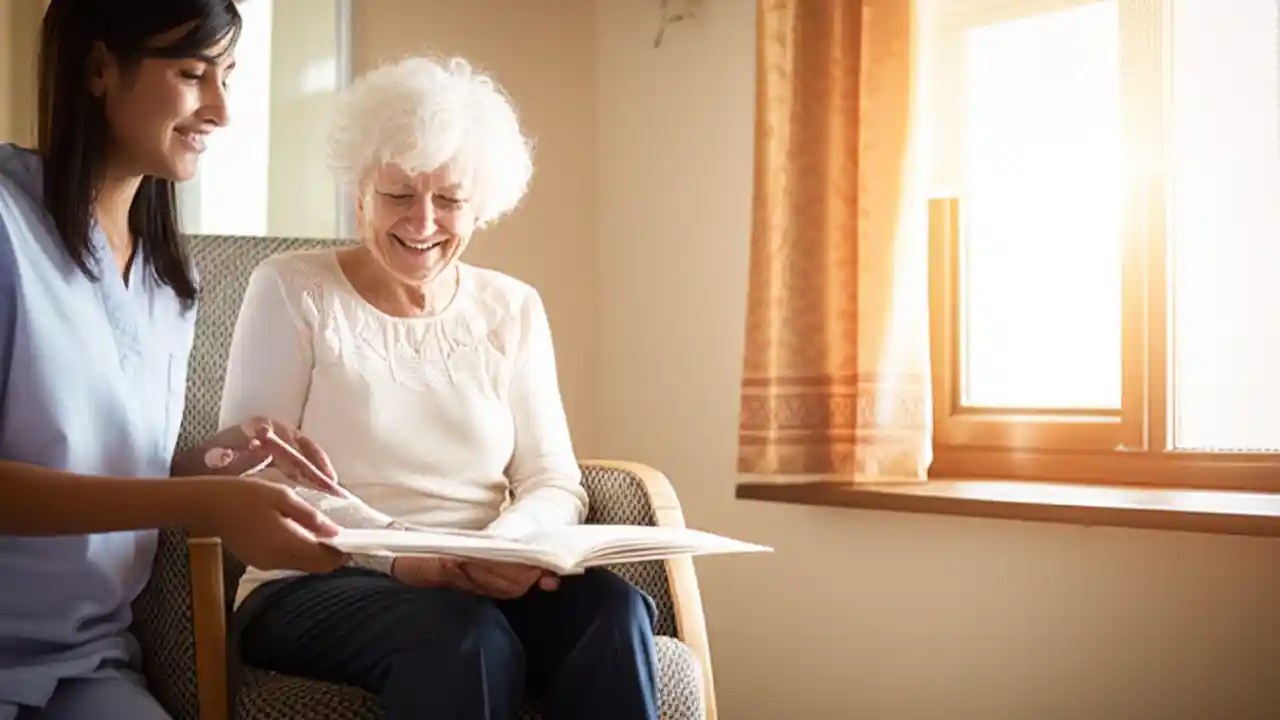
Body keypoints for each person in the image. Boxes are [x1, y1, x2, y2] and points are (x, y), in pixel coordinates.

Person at [223, 56, 660, 720]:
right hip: (317, 580)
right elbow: (263, 479)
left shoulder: (511, 307)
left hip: (482, 576)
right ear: (359, 190)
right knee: (464, 637)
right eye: (399, 194)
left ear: (480, 206)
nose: (423, 222)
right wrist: (409, 557)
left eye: (450, 199)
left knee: (614, 610)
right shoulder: (290, 288)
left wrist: (509, 544)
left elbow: (553, 479)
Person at [0, 2, 347, 718]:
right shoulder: (8, 228)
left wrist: (211, 465)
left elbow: (110, 472)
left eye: (229, 77)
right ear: (98, 68)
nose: (220, 110)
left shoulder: (166, 282)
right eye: (193, 74)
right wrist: (199, 501)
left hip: (85, 664)